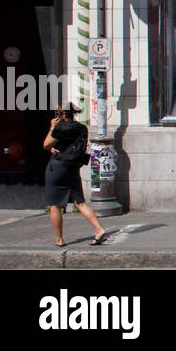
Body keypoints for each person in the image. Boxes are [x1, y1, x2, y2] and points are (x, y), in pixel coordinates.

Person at [42, 104, 108, 247]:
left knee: (54, 205)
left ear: (61, 114)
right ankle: (99, 229)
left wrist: (52, 127)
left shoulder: (60, 128)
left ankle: (59, 239)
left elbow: (46, 145)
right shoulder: (82, 128)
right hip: (72, 167)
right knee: (80, 202)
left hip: (58, 167)